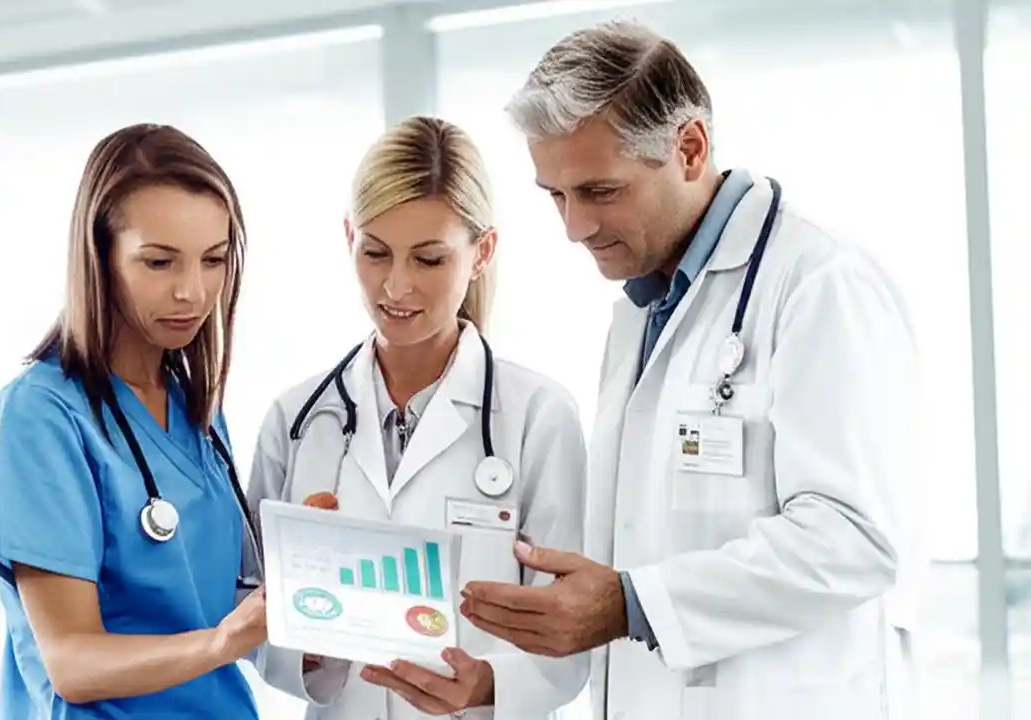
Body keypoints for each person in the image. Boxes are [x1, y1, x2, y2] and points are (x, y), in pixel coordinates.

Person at [458, 20, 924, 720]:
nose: (574, 227)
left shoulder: (819, 284)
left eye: (599, 191)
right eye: (555, 195)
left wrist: (635, 603)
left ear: (690, 148)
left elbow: (855, 538)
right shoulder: (642, 312)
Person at [247, 116, 589, 719]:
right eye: (375, 253)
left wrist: (488, 684)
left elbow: (574, 628)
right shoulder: (299, 419)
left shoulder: (537, 417)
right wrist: (306, 645)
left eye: (429, 259)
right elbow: (251, 601)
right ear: (348, 237)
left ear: (481, 252)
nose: (396, 286)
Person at [0, 123, 267, 719]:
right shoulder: (42, 417)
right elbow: (72, 663)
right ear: (98, 257)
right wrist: (226, 641)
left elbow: (223, 601)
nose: (193, 292)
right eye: (159, 262)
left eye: (213, 261)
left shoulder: (198, 415)